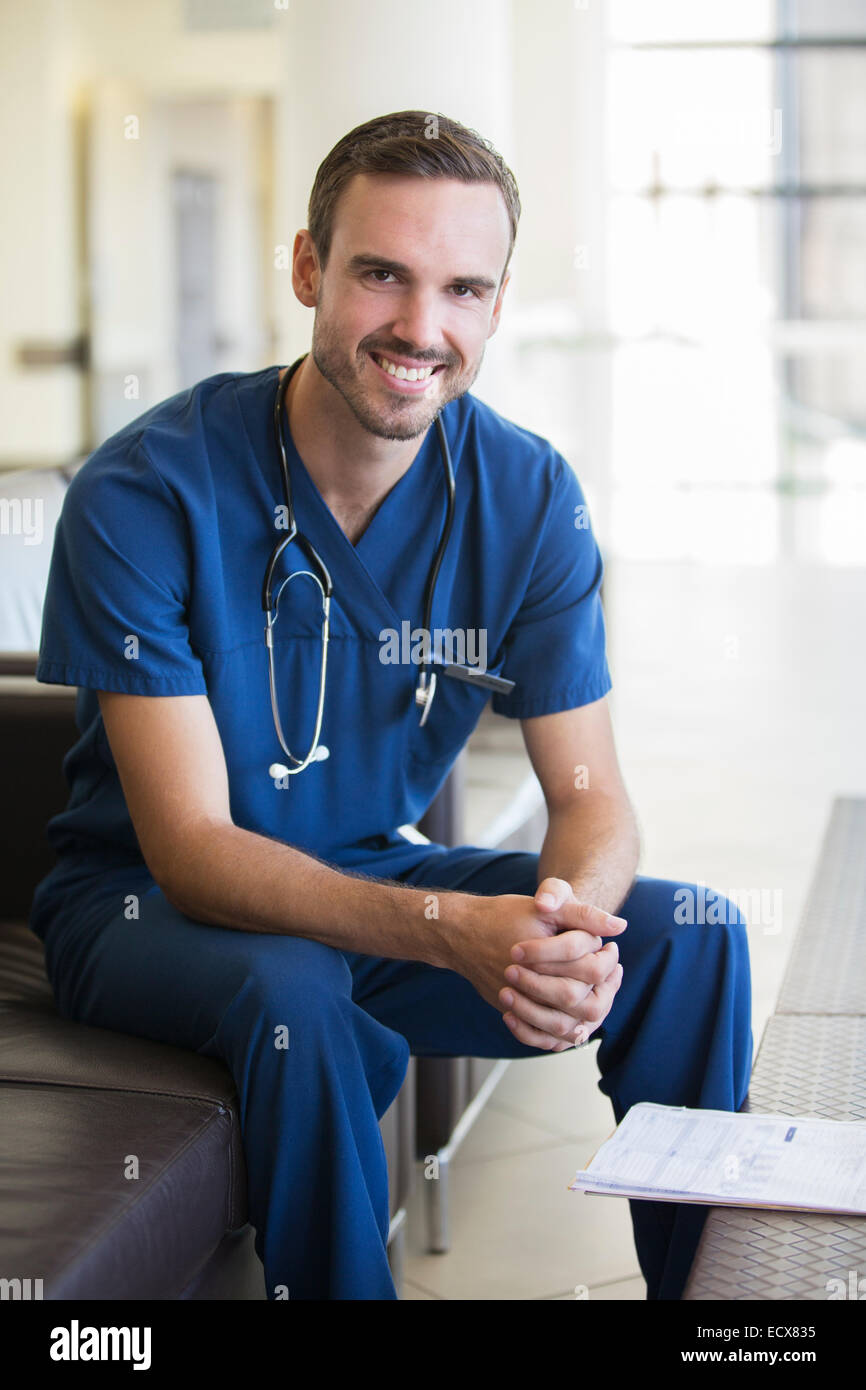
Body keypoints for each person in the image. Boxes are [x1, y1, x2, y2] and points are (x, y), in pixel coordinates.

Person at [31, 110, 753, 1301]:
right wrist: (444, 929)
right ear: (310, 267)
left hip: (366, 878)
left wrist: (558, 926)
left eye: (462, 288)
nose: (422, 329)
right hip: (145, 909)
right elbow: (195, 853)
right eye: (382, 275)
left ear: (496, 306)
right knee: (293, 986)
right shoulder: (146, 488)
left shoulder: (525, 496)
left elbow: (591, 796)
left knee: (696, 933)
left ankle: (704, 1316)